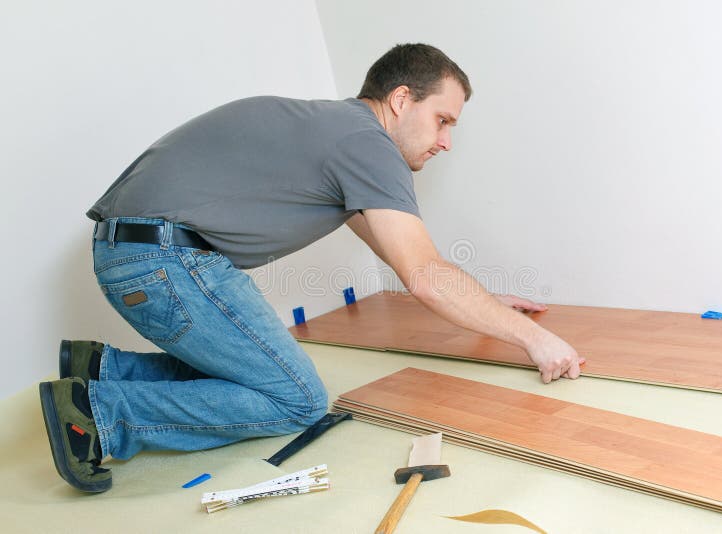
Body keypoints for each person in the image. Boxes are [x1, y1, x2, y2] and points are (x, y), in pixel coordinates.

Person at [39, 43, 582, 494]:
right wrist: (534, 339)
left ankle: (102, 368)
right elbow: (425, 275)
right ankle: (97, 415)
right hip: (164, 262)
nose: (446, 141)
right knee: (295, 400)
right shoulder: (367, 144)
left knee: (259, 376)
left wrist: (488, 304)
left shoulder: (336, 132)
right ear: (400, 99)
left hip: (135, 252)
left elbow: (401, 254)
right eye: (442, 120)